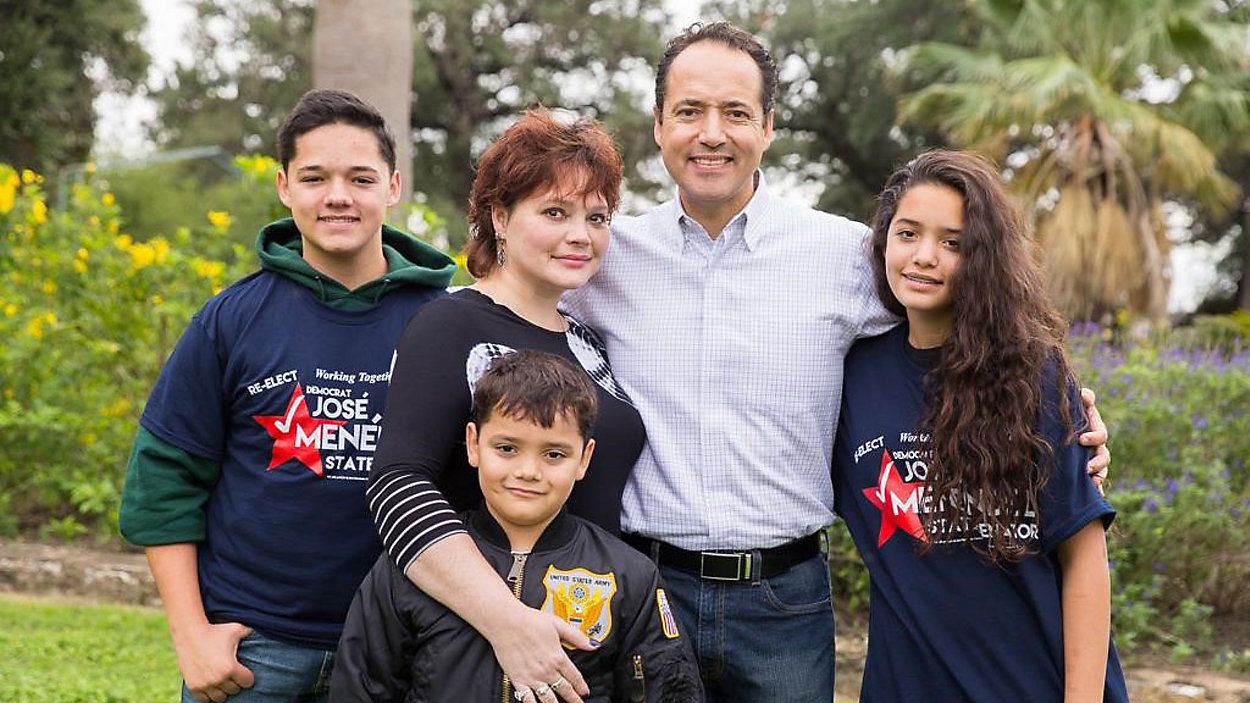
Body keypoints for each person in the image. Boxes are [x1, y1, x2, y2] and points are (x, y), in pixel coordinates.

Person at [372, 23, 1111, 703]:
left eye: (734, 111)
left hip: (785, 600)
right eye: (689, 111)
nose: (711, 134)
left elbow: (964, 326)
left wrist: (1061, 408)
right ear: (659, 126)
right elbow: (508, 307)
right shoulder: (605, 255)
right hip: (642, 586)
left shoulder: (846, 256)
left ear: (767, 127)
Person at [119, 88, 455, 703]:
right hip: (251, 648)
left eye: (360, 177)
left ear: (393, 186)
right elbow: (162, 484)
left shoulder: (445, 323)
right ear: (283, 187)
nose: (337, 196)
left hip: (397, 646)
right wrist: (191, 634)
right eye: (314, 177)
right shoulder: (231, 319)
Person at [366, 109, 644, 701]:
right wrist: (507, 622)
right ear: (499, 217)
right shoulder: (450, 324)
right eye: (555, 212)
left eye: (597, 218)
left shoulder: (586, 340)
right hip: (479, 641)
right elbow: (396, 486)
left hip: (587, 630)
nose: (581, 235)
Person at [832, 149, 1128, 701]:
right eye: (908, 233)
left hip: (1032, 683)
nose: (924, 257)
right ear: (883, 241)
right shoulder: (854, 375)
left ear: (984, 258)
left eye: (953, 243)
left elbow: (1084, 557)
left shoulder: (1033, 374)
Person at [334, 351, 701, 702]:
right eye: (507, 448)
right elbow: (361, 686)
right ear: (474, 444)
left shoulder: (630, 576)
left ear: (584, 458)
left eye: (553, 454)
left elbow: (670, 688)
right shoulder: (413, 567)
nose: (528, 471)